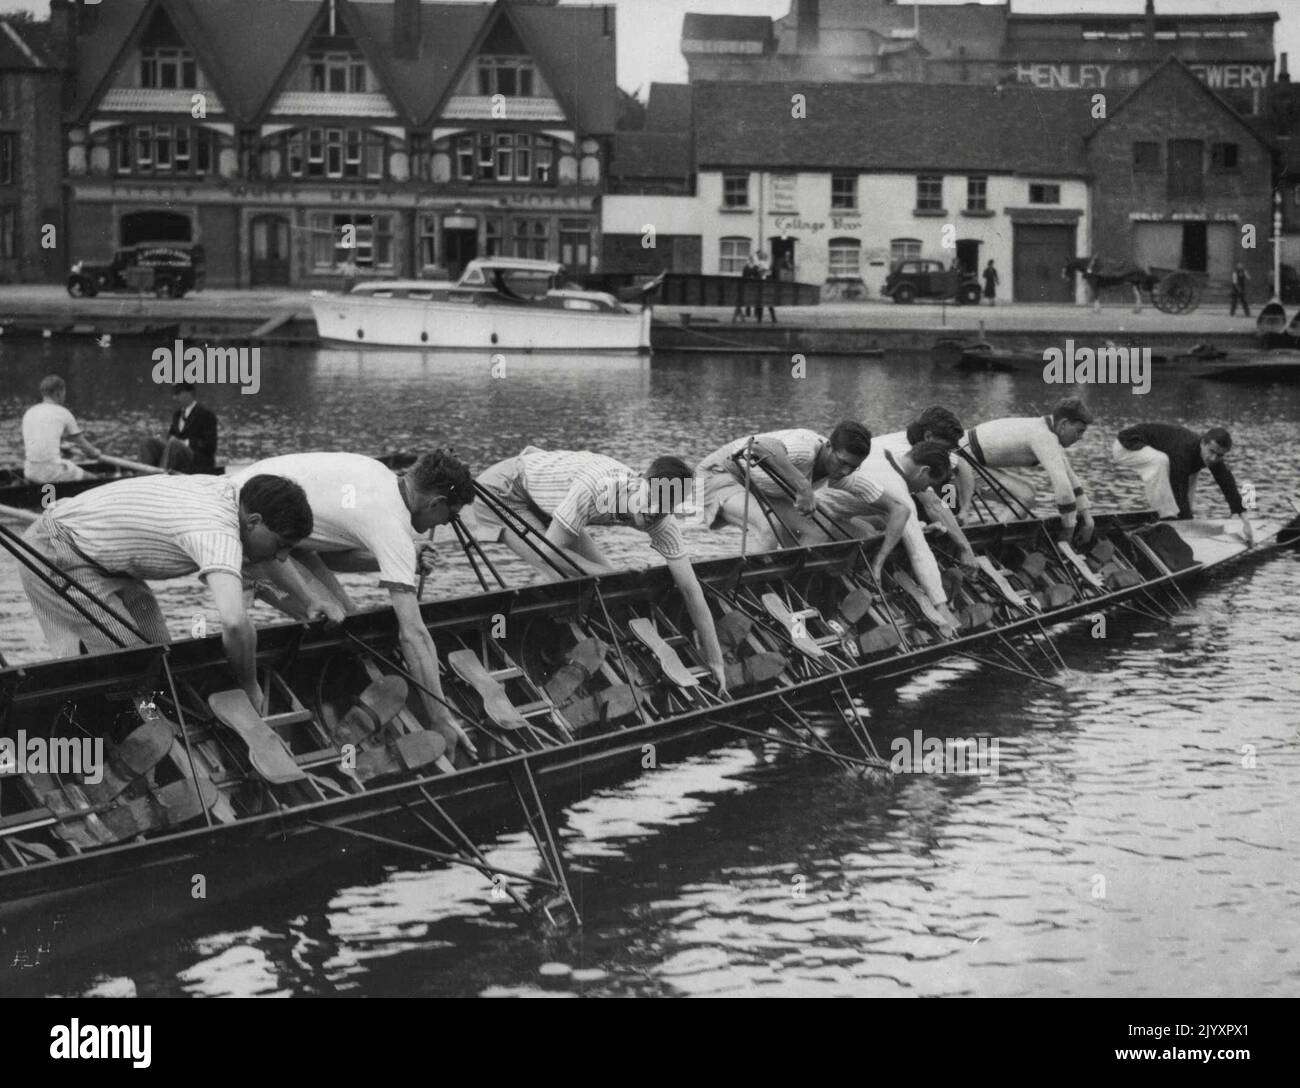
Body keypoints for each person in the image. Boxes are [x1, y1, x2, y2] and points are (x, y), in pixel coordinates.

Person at [230, 450, 479, 756]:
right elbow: (413, 634)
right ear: (435, 503)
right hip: (244, 527)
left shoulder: (380, 476)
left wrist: (403, 561)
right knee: (331, 622)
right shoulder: (390, 525)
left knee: (347, 621)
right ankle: (287, 728)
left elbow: (332, 551)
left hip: (272, 516)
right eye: (450, 517)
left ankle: (339, 720)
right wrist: (442, 719)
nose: (444, 524)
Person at [19, 473, 312, 708]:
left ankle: (153, 712)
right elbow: (234, 622)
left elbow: (264, 565)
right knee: (131, 661)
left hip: (108, 559)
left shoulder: (233, 492)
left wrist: (310, 603)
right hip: (57, 550)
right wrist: (250, 687)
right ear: (254, 521)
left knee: (160, 652)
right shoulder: (215, 531)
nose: (284, 557)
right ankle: (120, 729)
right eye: (282, 545)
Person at [471, 447, 729, 690]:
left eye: (663, 508)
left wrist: (715, 660)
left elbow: (690, 589)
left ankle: (595, 651)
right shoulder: (597, 491)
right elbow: (547, 552)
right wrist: (600, 574)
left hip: (552, 498)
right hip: (502, 491)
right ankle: (545, 654)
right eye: (650, 499)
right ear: (640, 481)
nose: (653, 512)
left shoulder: (661, 519)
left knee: (610, 583)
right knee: (562, 573)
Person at [813, 440, 962, 635]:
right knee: (874, 539)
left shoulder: (885, 452)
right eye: (929, 484)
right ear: (923, 471)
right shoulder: (902, 490)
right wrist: (940, 605)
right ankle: (834, 602)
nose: (926, 489)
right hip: (815, 515)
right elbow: (919, 550)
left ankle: (851, 593)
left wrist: (918, 526)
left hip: (832, 509)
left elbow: (904, 514)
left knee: (872, 533)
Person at [696, 423, 875, 551]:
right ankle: (757, 591)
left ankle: (794, 585)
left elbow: (892, 503)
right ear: (828, 445)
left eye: (853, 466)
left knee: (818, 529)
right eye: (842, 462)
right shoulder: (805, 448)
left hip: (755, 486)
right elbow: (757, 446)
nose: (845, 471)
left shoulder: (840, 471)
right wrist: (804, 486)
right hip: (717, 473)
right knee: (767, 527)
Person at [959, 399, 1096, 543]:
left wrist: (1088, 518)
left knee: (1027, 491)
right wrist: (1068, 531)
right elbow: (1063, 489)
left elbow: (1070, 477)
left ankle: (992, 535)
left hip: (967, 458)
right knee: (1026, 494)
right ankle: (991, 540)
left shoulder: (1046, 430)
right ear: (1063, 424)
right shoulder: (1043, 436)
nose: (1080, 437)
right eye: (1079, 431)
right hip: (957, 460)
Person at [860, 406, 980, 570]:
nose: (946, 453)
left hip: (899, 496)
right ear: (928, 436)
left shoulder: (927, 445)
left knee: (947, 480)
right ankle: (945, 534)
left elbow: (962, 466)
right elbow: (932, 504)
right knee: (934, 496)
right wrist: (966, 549)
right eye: (945, 448)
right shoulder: (901, 451)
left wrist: (964, 509)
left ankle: (949, 526)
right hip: (869, 502)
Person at [1112, 423, 1254, 544]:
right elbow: (1178, 487)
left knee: (1191, 479)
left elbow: (1227, 483)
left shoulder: (1210, 454)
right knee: (1160, 461)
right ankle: (1167, 518)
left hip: (1152, 448)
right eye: (1211, 452)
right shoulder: (1183, 451)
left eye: (1219, 455)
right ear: (1203, 443)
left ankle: (1178, 520)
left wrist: (1244, 520)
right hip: (1126, 446)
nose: (1213, 458)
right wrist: (1185, 524)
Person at [21, 375, 101, 484]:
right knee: (95, 480)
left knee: (65, 465)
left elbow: (39, 441)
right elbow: (87, 449)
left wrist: (61, 446)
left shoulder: (30, 412)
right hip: (52, 472)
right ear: (58, 393)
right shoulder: (63, 413)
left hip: (30, 471)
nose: (64, 396)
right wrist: (96, 452)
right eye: (64, 393)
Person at [139, 383, 219, 473]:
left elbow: (211, 446)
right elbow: (171, 437)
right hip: (177, 455)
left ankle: (161, 476)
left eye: (178, 393)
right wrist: (161, 439)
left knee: (174, 444)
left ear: (190, 393)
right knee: (147, 442)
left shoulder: (206, 414)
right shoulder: (177, 415)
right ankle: (145, 475)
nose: (175, 397)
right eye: (174, 394)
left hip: (199, 462)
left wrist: (186, 443)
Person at [733, 252, 760, 322]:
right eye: (750, 258)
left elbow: (758, 276)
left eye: (752, 259)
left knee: (754, 298)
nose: (751, 260)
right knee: (749, 297)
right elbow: (744, 276)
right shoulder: (747, 267)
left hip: (753, 285)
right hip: (748, 284)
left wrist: (753, 277)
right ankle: (749, 312)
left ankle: (755, 312)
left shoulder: (755, 267)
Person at [754, 250, 778, 324]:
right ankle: (760, 319)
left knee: (769, 304)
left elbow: (770, 275)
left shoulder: (766, 267)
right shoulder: (758, 266)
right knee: (762, 304)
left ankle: (773, 318)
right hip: (761, 288)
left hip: (767, 288)